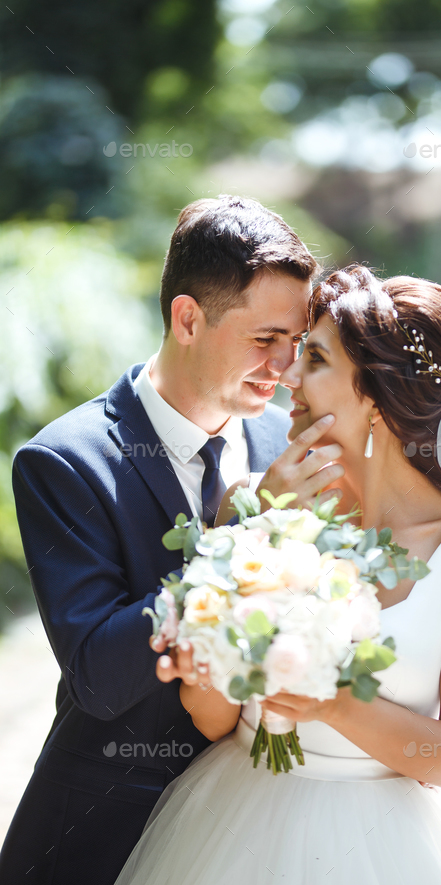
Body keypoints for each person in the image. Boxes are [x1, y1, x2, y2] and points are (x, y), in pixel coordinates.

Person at [113, 265, 441, 885]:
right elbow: (210, 718)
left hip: (383, 849)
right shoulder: (254, 504)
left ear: (376, 394)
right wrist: (242, 556)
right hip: (230, 822)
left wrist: (332, 703)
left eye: (314, 359)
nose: (287, 375)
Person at [0, 195, 345, 885]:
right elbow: (99, 674)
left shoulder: (292, 441)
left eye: (296, 341)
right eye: (263, 338)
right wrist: (244, 527)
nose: (285, 367)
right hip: (106, 832)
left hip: (269, 831)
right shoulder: (67, 461)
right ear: (188, 317)